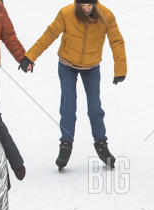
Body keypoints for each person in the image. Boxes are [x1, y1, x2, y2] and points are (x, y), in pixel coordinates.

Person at [25, 1, 125, 170]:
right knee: (68, 106)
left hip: (92, 67)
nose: (86, 9)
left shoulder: (106, 15)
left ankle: (101, 144)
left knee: (95, 108)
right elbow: (49, 35)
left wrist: (120, 69)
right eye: (83, 5)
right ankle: (66, 144)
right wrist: (30, 57)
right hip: (67, 65)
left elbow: (116, 41)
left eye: (89, 5)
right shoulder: (66, 13)